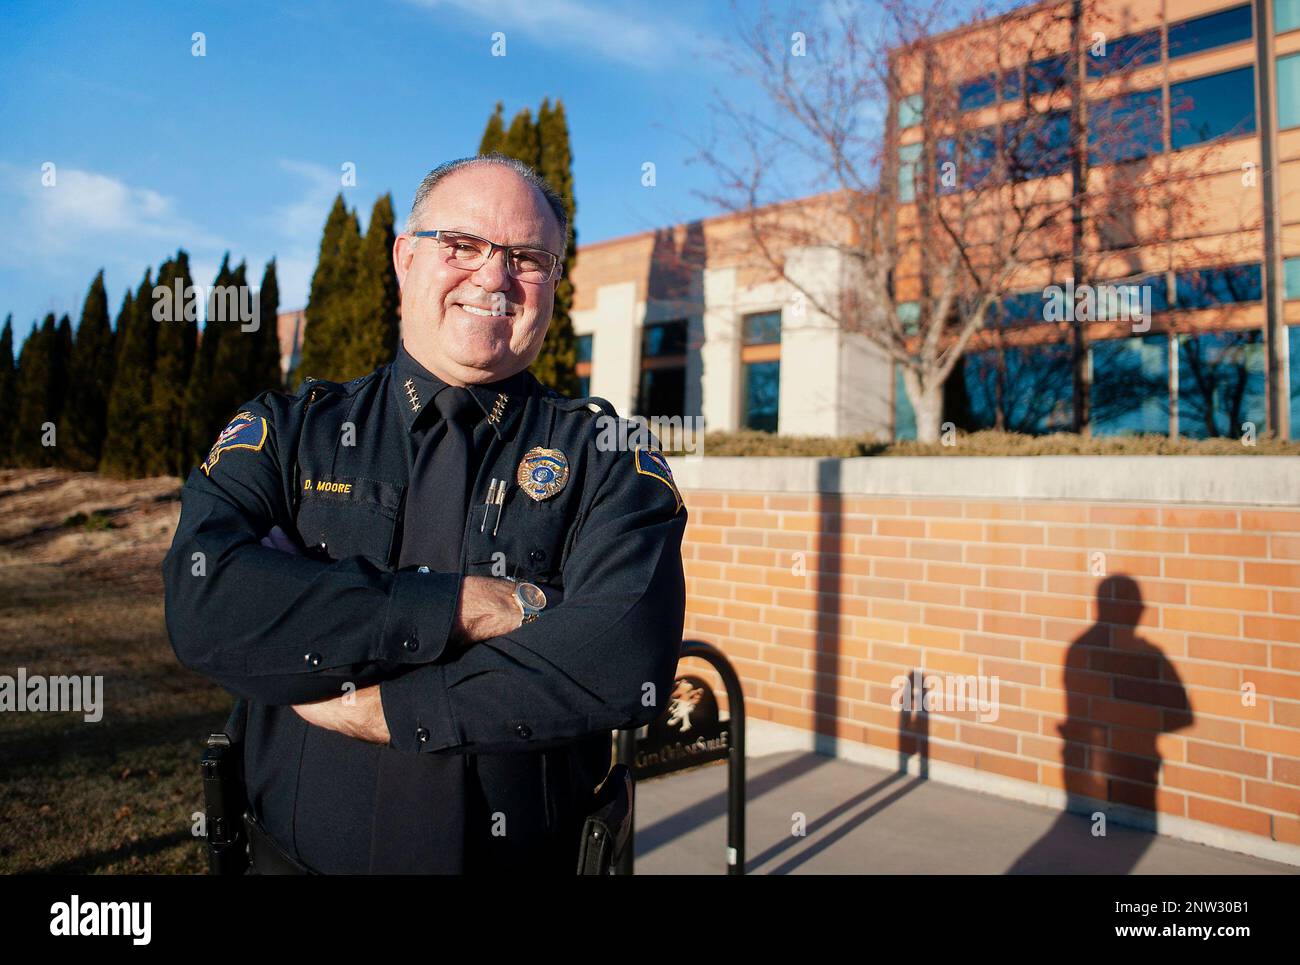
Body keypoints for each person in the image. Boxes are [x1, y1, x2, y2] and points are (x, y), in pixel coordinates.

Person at [162, 154, 688, 874]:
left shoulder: (604, 456)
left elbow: (624, 655)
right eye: (462, 245)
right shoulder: (290, 434)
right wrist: (465, 607)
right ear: (405, 258)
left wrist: (387, 708)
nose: (495, 277)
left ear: (553, 286)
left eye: (529, 258)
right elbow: (208, 602)